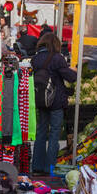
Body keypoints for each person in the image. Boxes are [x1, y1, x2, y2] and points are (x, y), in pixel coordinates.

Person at [30, 29, 77, 175]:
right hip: (56, 102)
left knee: (41, 133)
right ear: (55, 44)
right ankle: (49, 168)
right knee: (54, 134)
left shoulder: (35, 59)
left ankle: (37, 167)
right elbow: (70, 77)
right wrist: (74, 70)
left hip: (41, 101)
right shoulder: (57, 58)